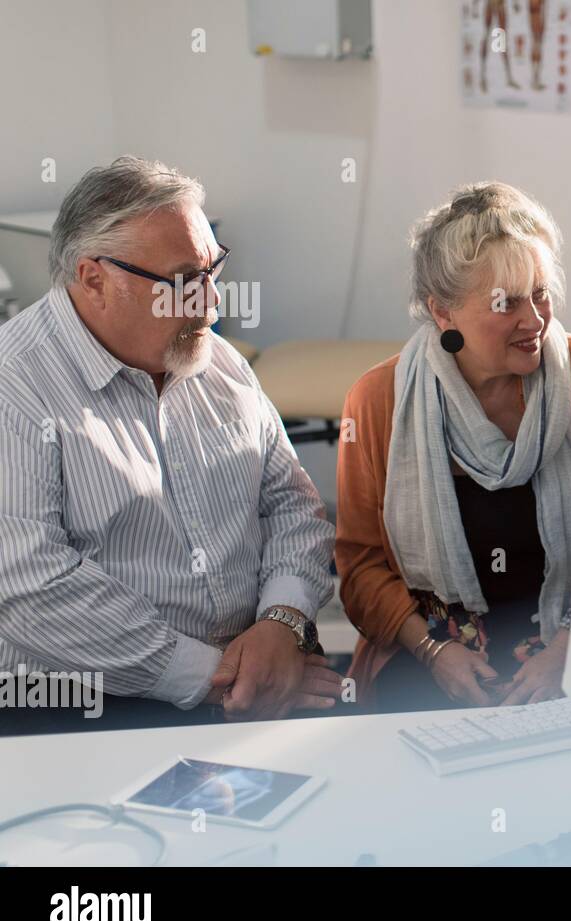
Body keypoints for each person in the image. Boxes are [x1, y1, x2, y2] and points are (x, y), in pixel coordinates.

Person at [0, 157, 340, 735]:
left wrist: (282, 625)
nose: (211, 304)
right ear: (93, 279)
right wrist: (214, 678)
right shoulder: (16, 385)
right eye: (183, 281)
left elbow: (293, 507)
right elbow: (30, 584)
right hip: (80, 702)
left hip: (257, 667)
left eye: (214, 269)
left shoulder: (220, 363)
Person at [336, 182, 571, 713]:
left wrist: (568, 647)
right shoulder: (380, 401)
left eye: (540, 293)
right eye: (506, 302)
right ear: (443, 312)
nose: (535, 320)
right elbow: (360, 568)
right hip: (437, 655)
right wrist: (433, 650)